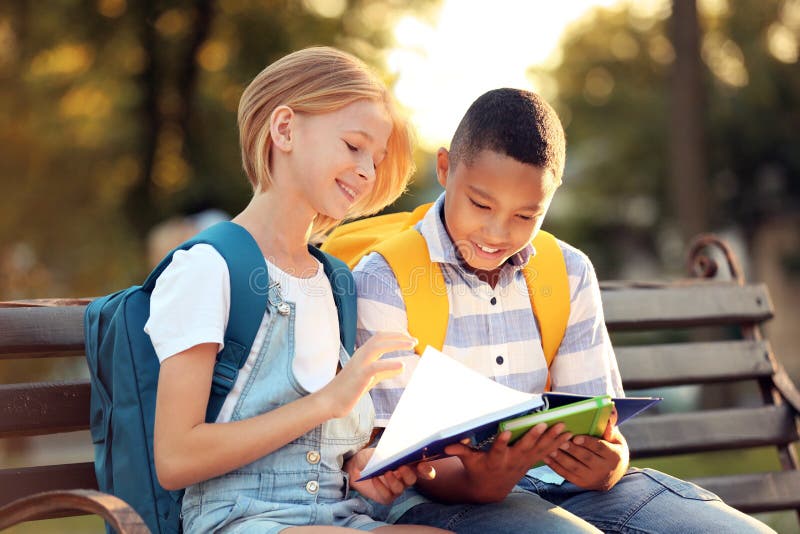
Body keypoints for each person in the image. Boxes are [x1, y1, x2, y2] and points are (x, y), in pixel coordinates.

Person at [353, 88, 775, 533]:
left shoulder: (568, 271)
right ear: (444, 168)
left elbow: (601, 423)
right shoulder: (386, 278)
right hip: (436, 498)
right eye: (481, 204)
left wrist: (609, 464)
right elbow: (392, 458)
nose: (496, 233)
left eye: (525, 216)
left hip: (567, 490)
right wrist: (484, 482)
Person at [145, 46, 449, 534]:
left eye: (375, 158)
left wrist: (363, 467)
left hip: (339, 517)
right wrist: (327, 402)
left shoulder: (336, 283)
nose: (368, 171)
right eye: (354, 146)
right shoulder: (207, 267)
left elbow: (324, 451)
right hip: (240, 520)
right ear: (284, 130)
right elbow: (176, 458)